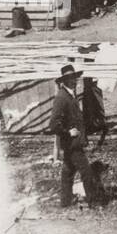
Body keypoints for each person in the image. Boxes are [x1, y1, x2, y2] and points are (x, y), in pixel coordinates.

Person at [48, 65, 104, 208]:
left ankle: (65, 201)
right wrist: (67, 132)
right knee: (87, 172)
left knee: (68, 171)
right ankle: (94, 202)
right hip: (71, 143)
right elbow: (53, 124)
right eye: (69, 79)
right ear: (63, 81)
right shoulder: (61, 98)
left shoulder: (71, 95)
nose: (73, 81)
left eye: (74, 78)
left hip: (75, 142)